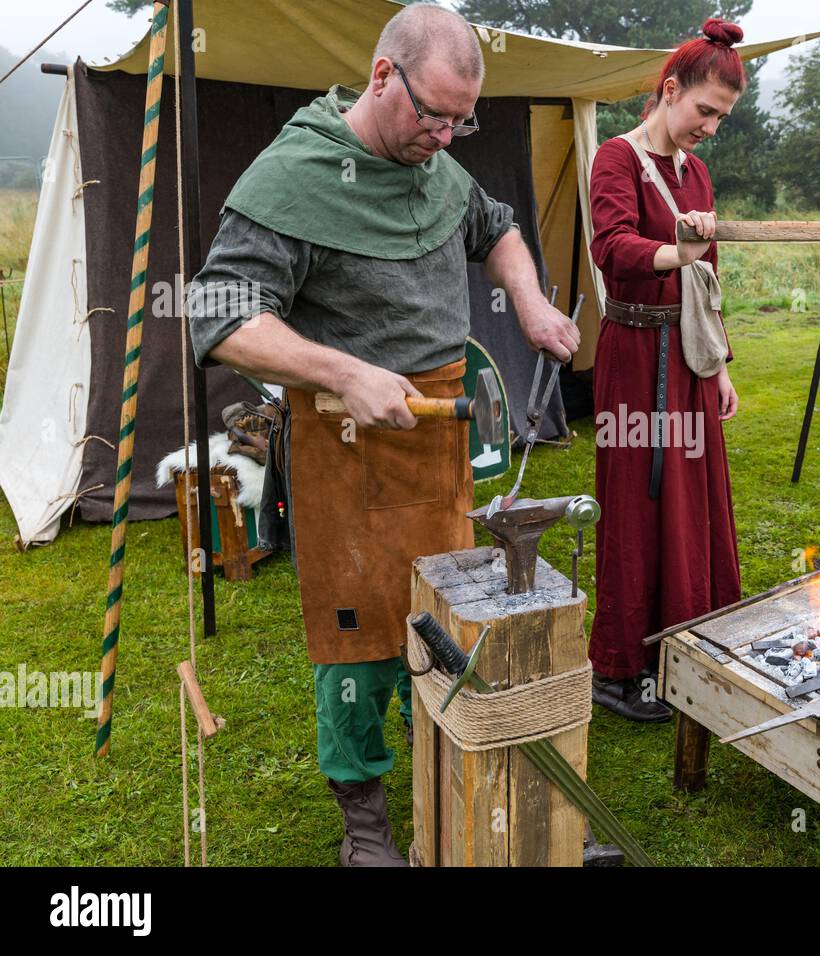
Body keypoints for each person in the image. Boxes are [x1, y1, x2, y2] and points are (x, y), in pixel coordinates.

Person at [186, 3, 578, 865]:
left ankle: (453, 769)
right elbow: (215, 318)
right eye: (430, 114)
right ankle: (365, 825)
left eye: (459, 120)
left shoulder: (434, 160)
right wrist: (340, 370)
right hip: (347, 451)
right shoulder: (295, 175)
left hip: (439, 437)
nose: (444, 137)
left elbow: (496, 224)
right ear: (380, 76)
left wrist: (533, 299)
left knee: (444, 616)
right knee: (359, 641)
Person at [586, 19, 745, 722]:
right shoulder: (613, 160)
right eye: (704, 110)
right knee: (636, 504)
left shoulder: (697, 171)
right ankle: (619, 668)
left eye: (722, 118)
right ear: (669, 89)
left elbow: (705, 279)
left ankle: (684, 648)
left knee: (691, 506)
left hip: (688, 359)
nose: (710, 127)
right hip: (632, 358)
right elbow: (613, 248)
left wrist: (722, 367)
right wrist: (676, 250)